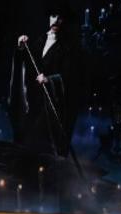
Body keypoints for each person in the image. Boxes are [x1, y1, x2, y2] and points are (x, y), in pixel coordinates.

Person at [9, 9, 79, 158]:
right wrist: (21, 47)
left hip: (53, 104)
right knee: (27, 140)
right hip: (34, 101)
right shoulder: (39, 40)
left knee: (46, 145)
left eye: (60, 18)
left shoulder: (67, 47)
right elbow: (26, 64)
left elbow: (69, 77)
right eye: (53, 16)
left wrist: (49, 79)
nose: (56, 20)